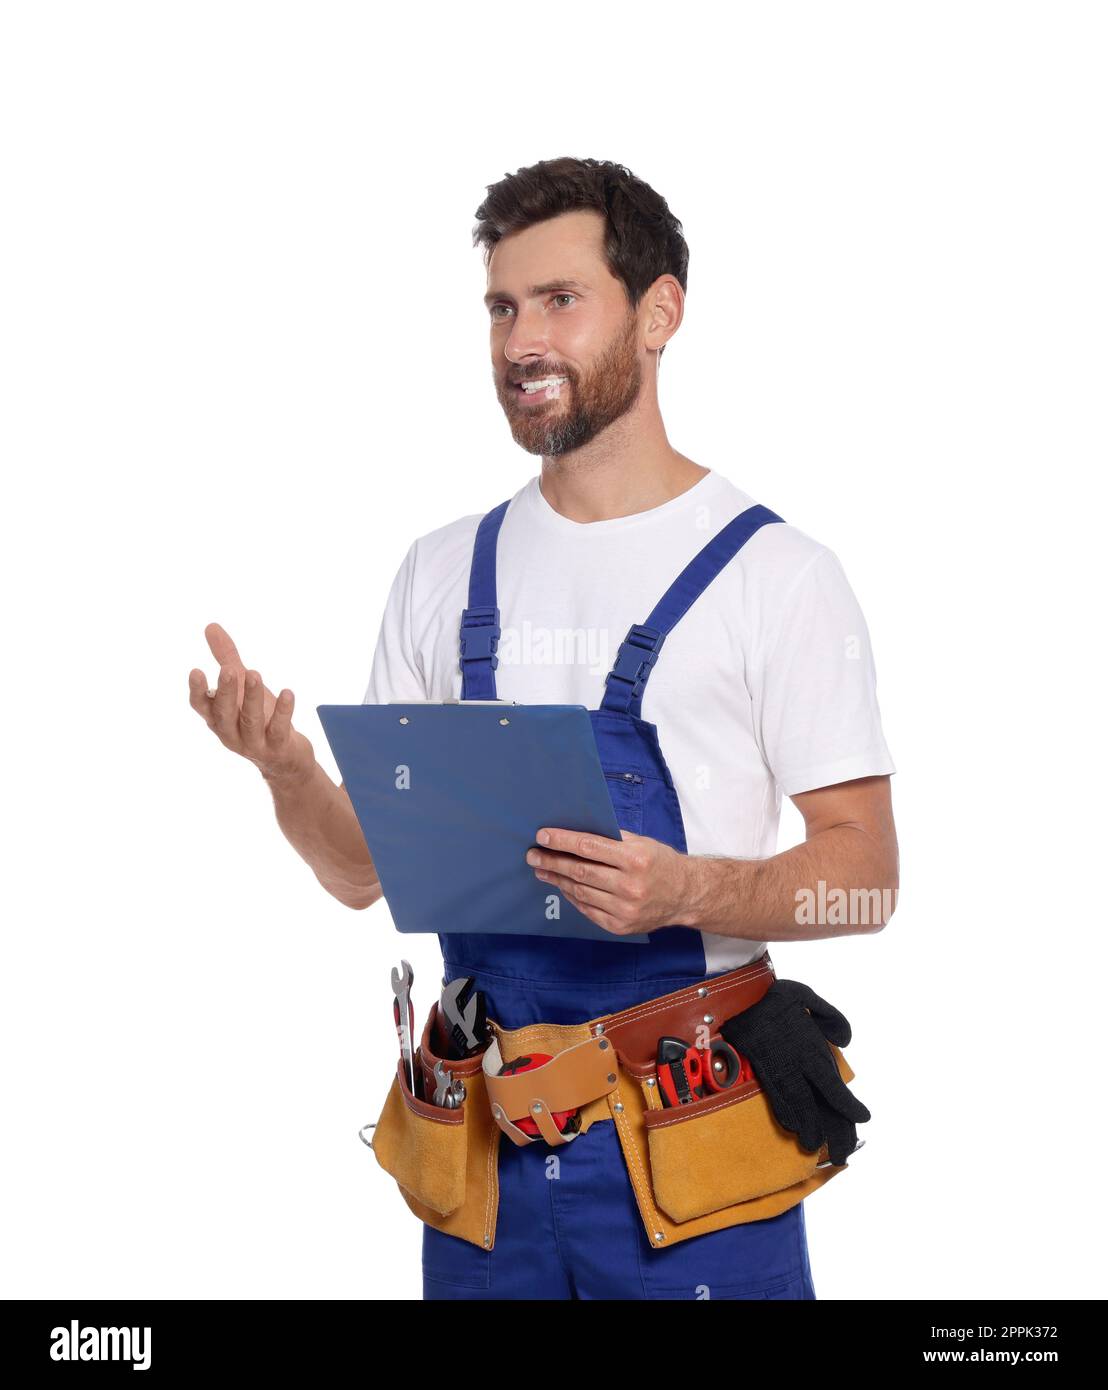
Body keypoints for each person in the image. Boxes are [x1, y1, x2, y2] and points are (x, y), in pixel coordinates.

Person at [188, 156, 898, 1301]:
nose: (521, 340)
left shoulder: (776, 578)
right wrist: (285, 771)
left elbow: (864, 882)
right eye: (501, 307)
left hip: (690, 1158)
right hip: (484, 1157)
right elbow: (363, 872)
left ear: (659, 311)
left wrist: (688, 893)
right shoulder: (440, 572)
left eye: (559, 300)